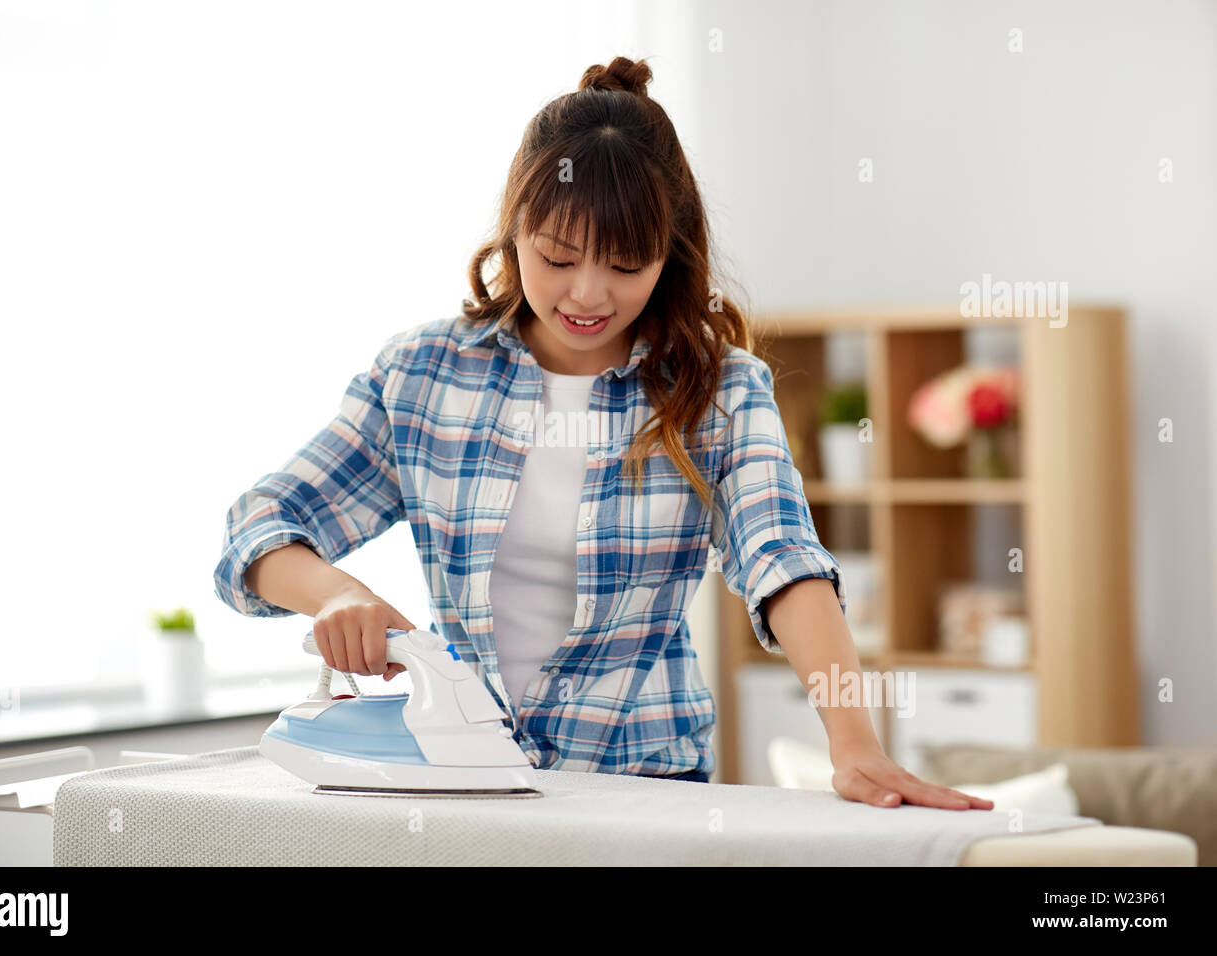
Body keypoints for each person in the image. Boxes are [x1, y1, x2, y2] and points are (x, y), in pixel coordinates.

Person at [214, 56, 992, 810]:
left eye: (626, 264)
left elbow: (783, 562)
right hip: (464, 787)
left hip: (645, 789)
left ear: (669, 252)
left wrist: (853, 743)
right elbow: (261, 525)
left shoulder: (719, 391)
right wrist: (339, 596)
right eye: (557, 257)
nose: (589, 295)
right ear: (515, 229)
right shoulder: (423, 376)